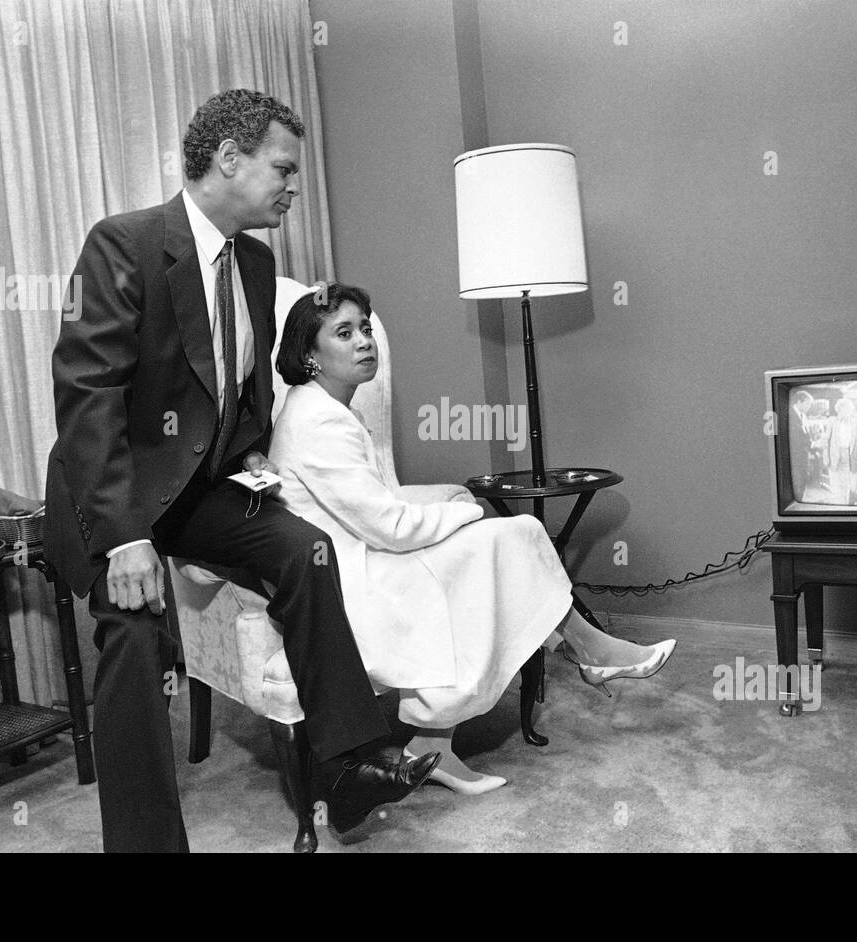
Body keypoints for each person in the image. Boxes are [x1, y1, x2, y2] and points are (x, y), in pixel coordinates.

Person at [45, 90, 438, 852]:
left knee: (303, 547)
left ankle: (348, 768)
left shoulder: (254, 260)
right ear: (229, 159)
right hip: (114, 494)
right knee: (133, 631)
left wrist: (252, 451)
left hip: (201, 488)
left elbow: (242, 381)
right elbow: (88, 399)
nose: (294, 186)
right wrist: (126, 540)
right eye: (283, 168)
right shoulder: (122, 245)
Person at [268, 284, 676, 793]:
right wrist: (461, 516)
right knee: (505, 538)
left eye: (367, 329)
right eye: (344, 333)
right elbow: (389, 528)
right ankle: (583, 653)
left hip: (364, 556)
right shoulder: (318, 421)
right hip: (350, 581)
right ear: (309, 355)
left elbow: (376, 512)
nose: (365, 342)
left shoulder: (326, 409)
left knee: (511, 538)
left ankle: (576, 656)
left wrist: (452, 514)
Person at [788, 390, 815, 501]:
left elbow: (805, 436)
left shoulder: (803, 416)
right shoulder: (788, 415)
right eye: (807, 403)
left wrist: (812, 444)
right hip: (794, 459)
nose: (809, 407)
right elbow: (794, 439)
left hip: (802, 457)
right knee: (796, 487)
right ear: (799, 401)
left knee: (801, 485)